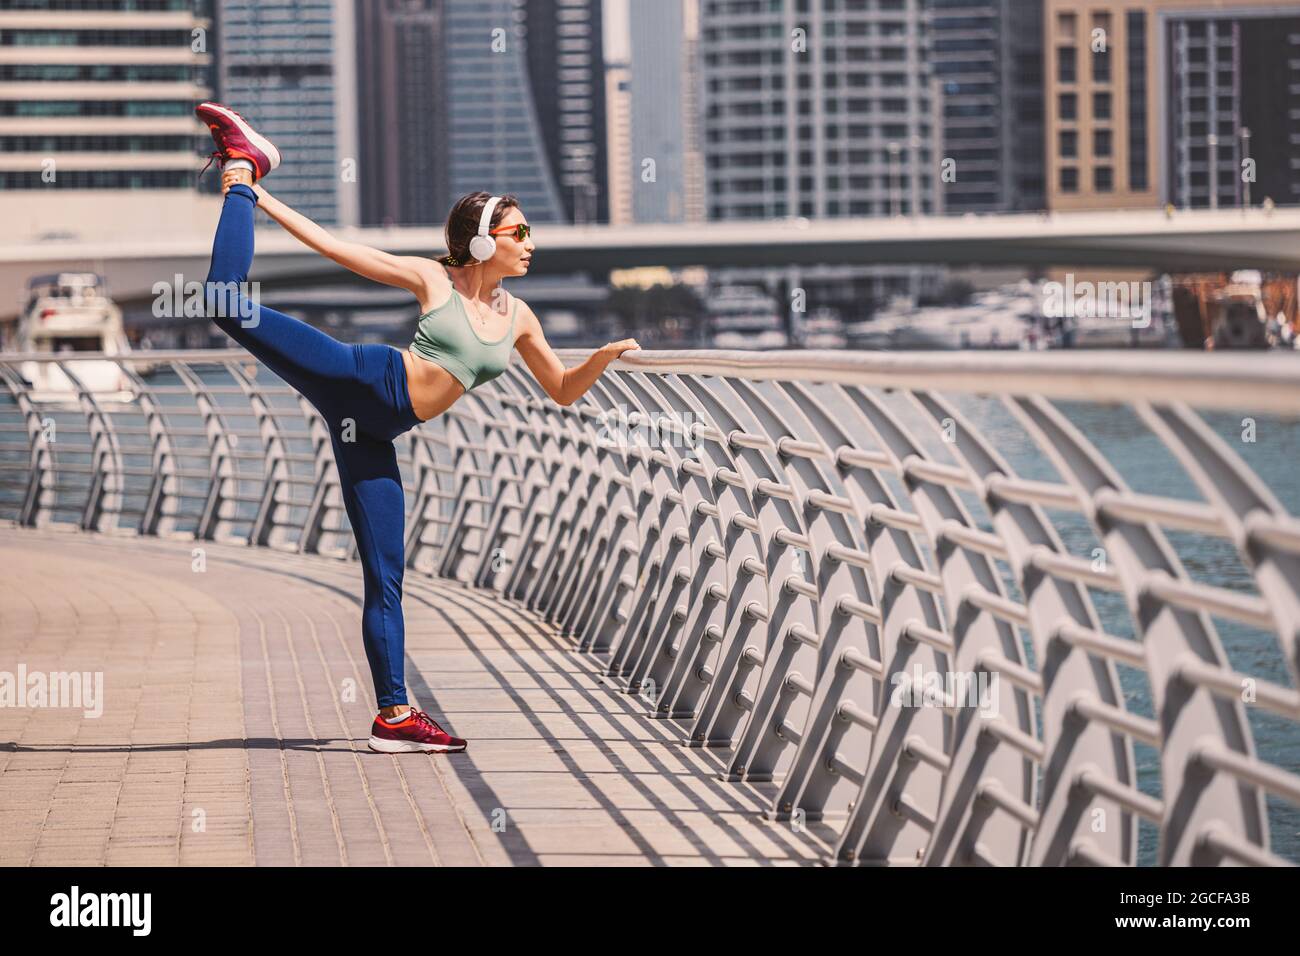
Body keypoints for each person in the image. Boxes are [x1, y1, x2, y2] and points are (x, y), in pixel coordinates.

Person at [195, 102, 640, 754]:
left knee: (386, 575)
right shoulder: (436, 278)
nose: (531, 245)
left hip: (375, 432)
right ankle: (242, 165)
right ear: (487, 241)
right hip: (362, 380)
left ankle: (394, 715)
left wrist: (601, 358)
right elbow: (339, 249)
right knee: (225, 303)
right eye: (520, 234)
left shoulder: (520, 318)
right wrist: (259, 196)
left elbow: (562, 391)